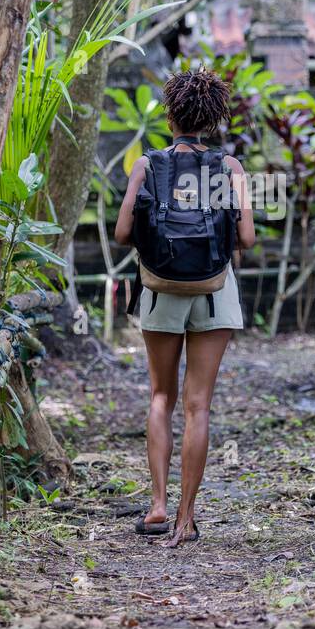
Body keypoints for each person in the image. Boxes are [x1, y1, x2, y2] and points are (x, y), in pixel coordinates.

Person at [113, 67, 255, 548]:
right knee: (199, 406)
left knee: (161, 397)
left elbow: (122, 233)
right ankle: (186, 518)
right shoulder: (230, 169)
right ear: (214, 120)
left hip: (160, 290)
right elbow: (248, 239)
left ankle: (156, 505)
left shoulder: (148, 166)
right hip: (215, 290)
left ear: (170, 115)